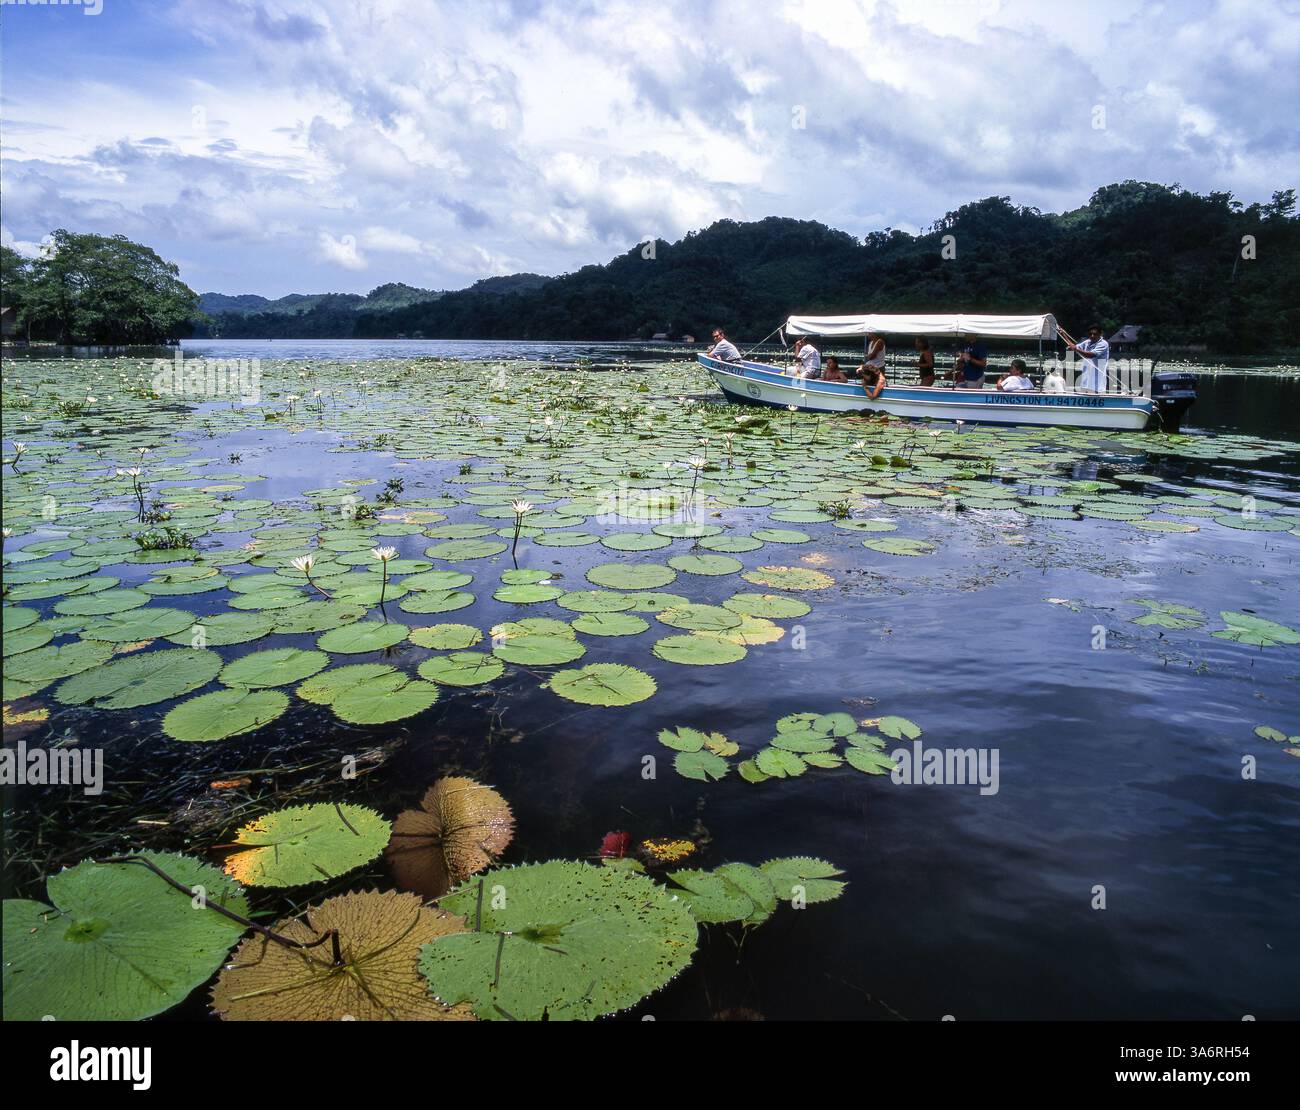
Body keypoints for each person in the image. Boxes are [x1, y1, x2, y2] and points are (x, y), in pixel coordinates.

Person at [1064, 324, 1109, 392]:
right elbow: (1074, 347)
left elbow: (1090, 355)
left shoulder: (1103, 344)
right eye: (1090, 334)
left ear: (1100, 334)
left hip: (1097, 380)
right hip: (1086, 378)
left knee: (1095, 391)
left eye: (1095, 334)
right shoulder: (1087, 342)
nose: (1092, 336)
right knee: (1085, 389)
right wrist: (1064, 334)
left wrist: (1075, 348)